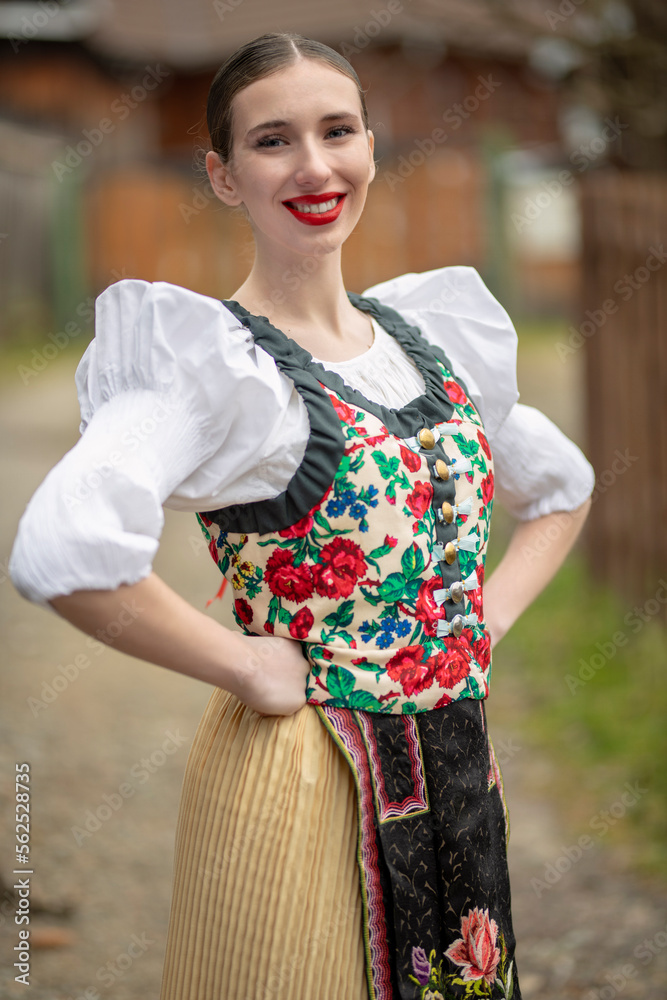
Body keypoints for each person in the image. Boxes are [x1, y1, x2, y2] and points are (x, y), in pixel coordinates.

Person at [9, 31, 594, 1000]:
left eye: (337, 130)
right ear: (224, 175)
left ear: (370, 145)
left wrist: (481, 619)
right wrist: (242, 662)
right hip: (305, 771)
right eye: (273, 141)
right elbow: (62, 550)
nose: (315, 165)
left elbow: (560, 486)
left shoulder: (427, 340)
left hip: (451, 765)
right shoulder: (213, 370)